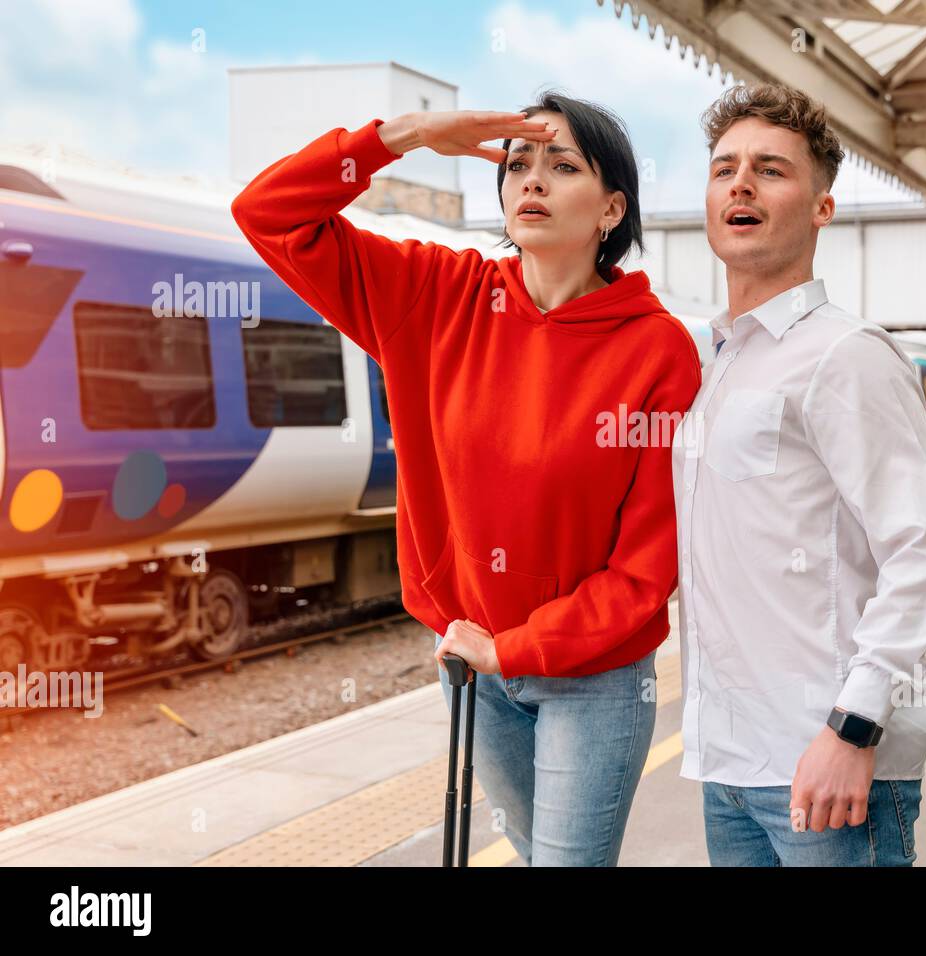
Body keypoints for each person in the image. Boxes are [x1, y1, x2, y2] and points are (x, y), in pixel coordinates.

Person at [231, 91, 701, 866]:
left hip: (595, 678)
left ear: (611, 207)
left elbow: (646, 568)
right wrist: (404, 135)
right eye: (518, 164)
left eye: (561, 165)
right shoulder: (437, 295)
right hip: (475, 669)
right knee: (527, 851)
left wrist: (518, 646)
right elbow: (268, 214)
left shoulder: (659, 352)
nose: (532, 182)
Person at [671, 83, 926, 866]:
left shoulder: (847, 354)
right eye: (724, 168)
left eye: (771, 170)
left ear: (822, 210)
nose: (740, 184)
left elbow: (923, 552)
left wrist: (853, 728)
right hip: (729, 763)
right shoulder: (714, 363)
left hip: (828, 762)